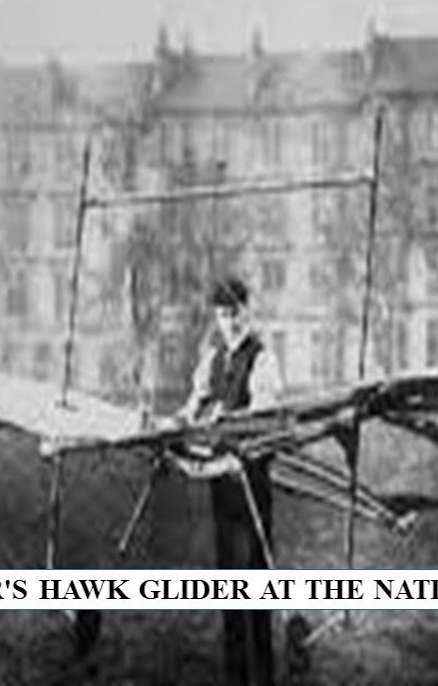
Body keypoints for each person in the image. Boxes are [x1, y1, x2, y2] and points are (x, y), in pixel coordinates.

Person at [169, 276, 283, 686]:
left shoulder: (263, 359)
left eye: (236, 312)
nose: (230, 321)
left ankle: (263, 678)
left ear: (248, 311)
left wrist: (228, 420)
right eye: (223, 314)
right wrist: (177, 422)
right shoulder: (214, 359)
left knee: (257, 588)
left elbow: (266, 414)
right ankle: (236, 678)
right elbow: (194, 403)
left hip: (251, 483)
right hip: (222, 484)